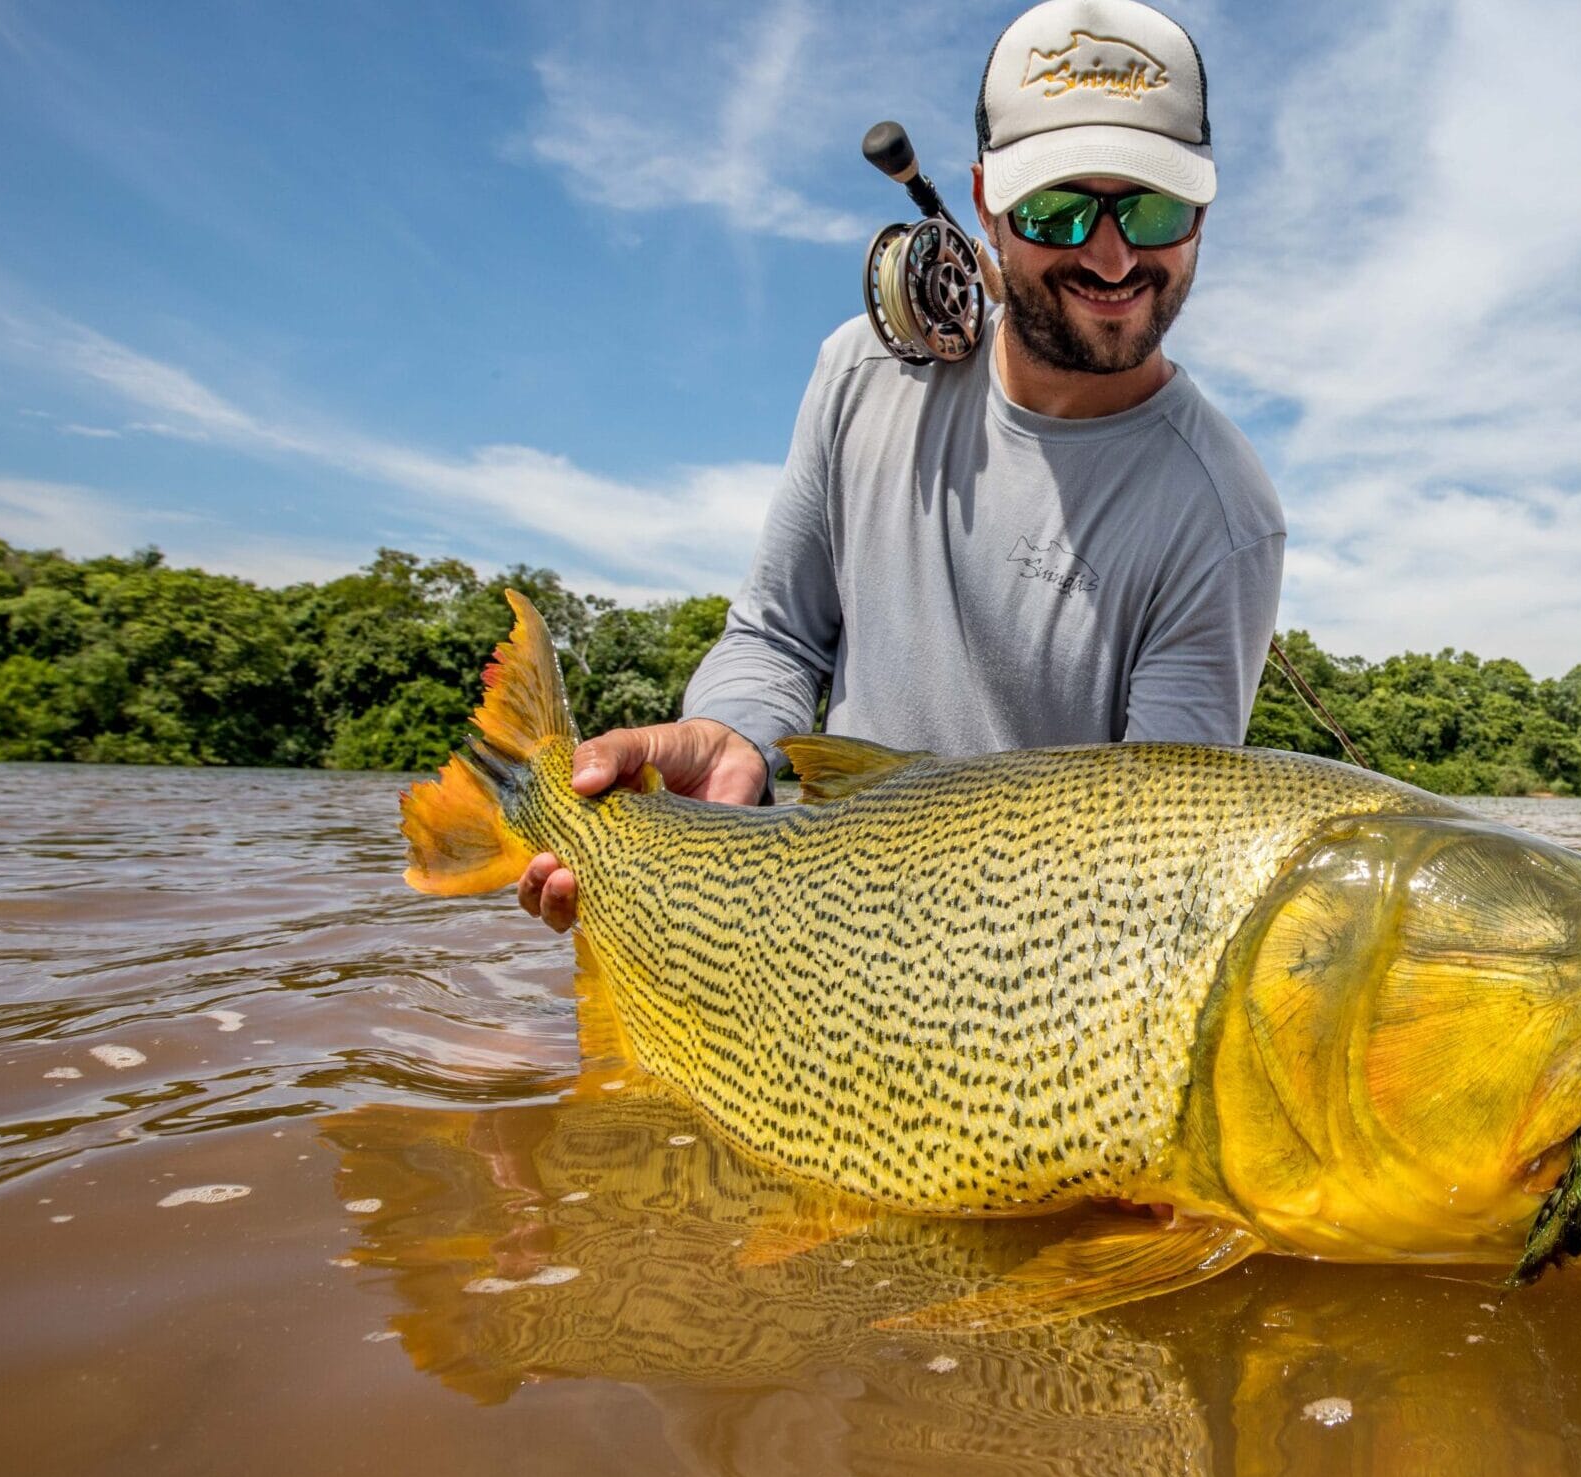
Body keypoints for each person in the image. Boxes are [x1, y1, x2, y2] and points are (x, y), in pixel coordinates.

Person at [518, 0, 1282, 931]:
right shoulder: (860, 370)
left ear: (1202, 210)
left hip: (1022, 971)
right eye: (1056, 211)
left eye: (1154, 208)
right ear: (983, 204)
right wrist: (736, 737)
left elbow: (1158, 870)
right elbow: (779, 639)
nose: (1114, 257)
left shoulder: (1224, 516)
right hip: (792, 921)